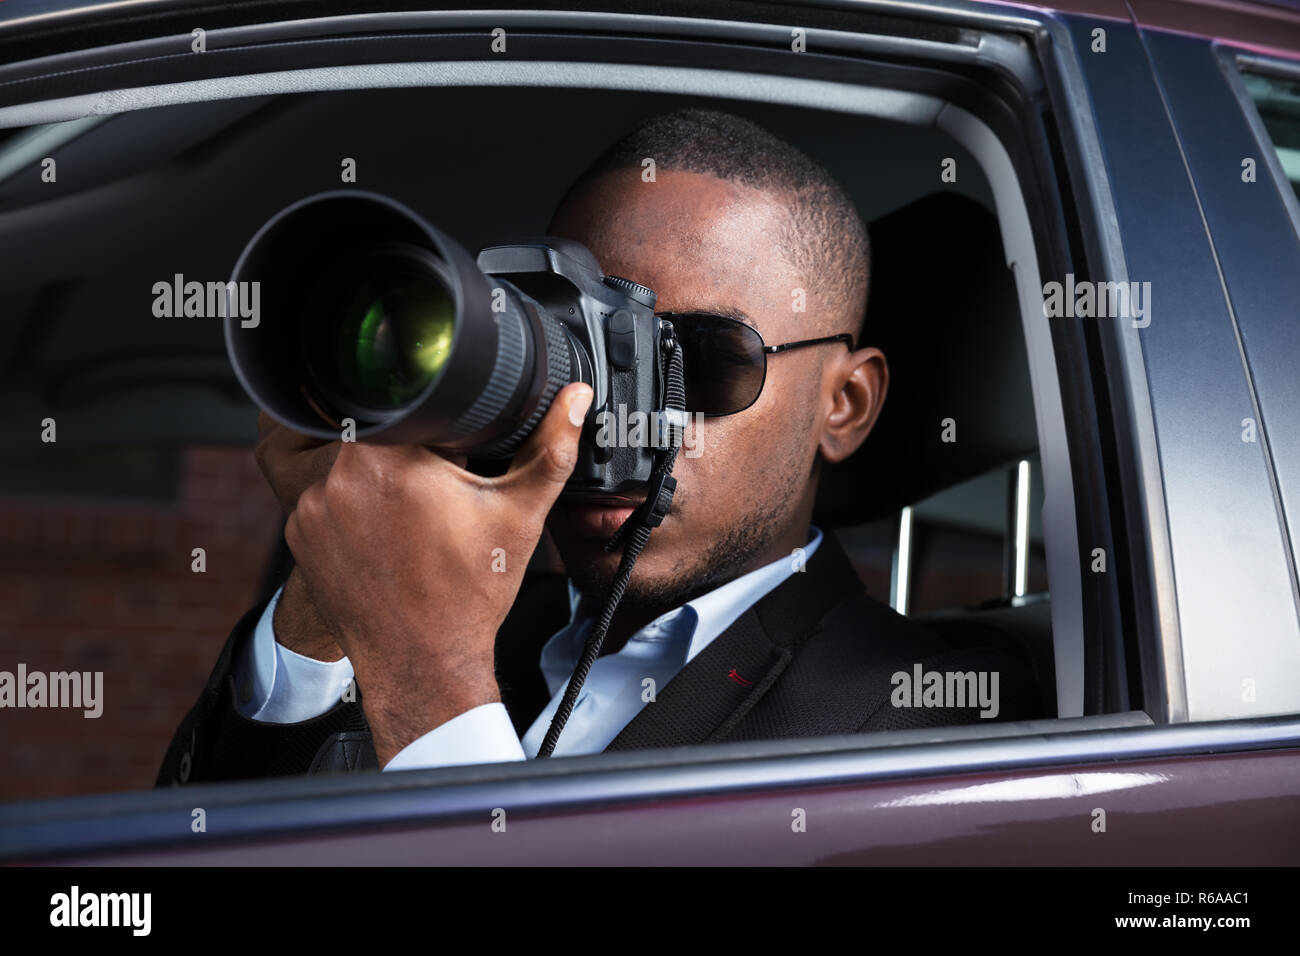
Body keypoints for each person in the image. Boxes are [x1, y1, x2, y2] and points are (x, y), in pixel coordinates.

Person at [157, 108, 1040, 784]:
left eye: (695, 361)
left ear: (844, 405)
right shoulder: (479, 623)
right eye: (587, 351)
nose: (608, 417)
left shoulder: (928, 725)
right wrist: (324, 615)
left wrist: (431, 678)